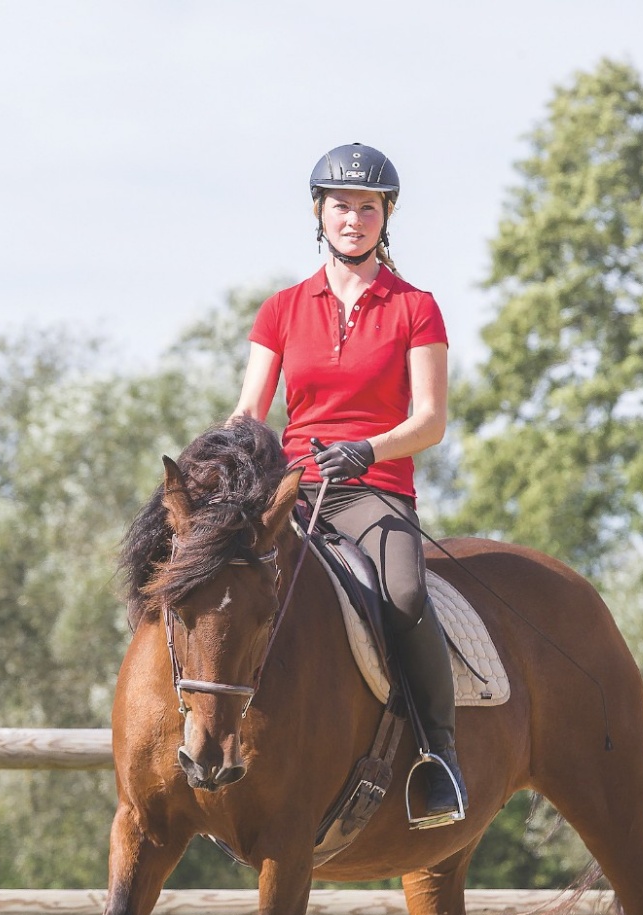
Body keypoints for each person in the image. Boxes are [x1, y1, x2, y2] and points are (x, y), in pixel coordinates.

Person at [228, 141, 467, 825]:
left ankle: (439, 756)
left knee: (404, 591)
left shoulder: (416, 307)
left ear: (385, 216)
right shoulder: (280, 309)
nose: (354, 219)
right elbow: (250, 411)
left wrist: (368, 449)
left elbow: (431, 420)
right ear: (319, 212)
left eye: (368, 207)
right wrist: (216, 462)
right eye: (341, 206)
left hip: (374, 487)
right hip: (291, 486)